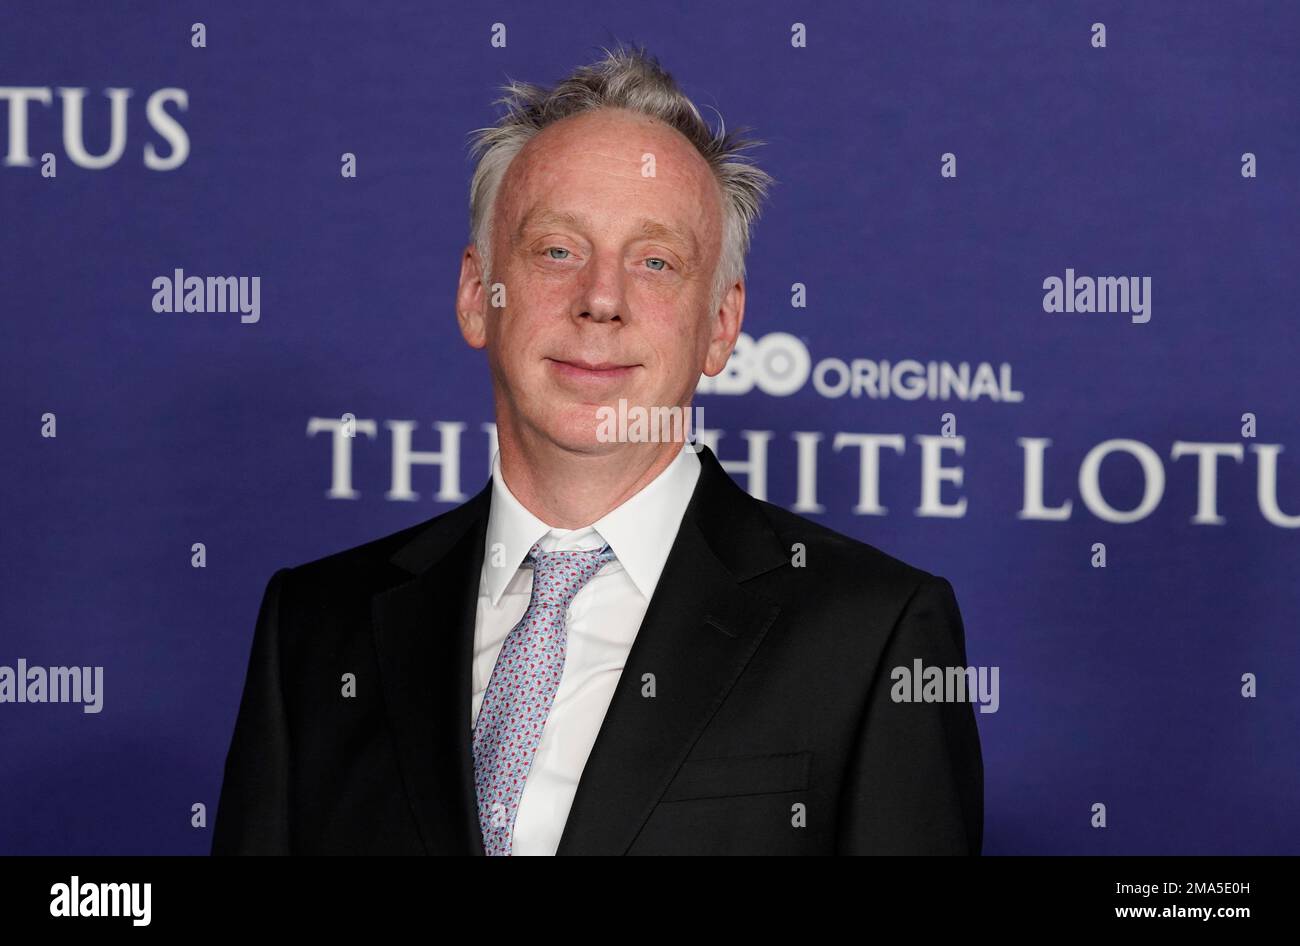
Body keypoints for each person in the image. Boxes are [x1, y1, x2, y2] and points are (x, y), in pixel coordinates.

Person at [212, 44, 983, 856]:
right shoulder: (315, 625)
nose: (601, 299)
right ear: (478, 296)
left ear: (721, 325)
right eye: (556, 250)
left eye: (655, 262)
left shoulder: (872, 632)